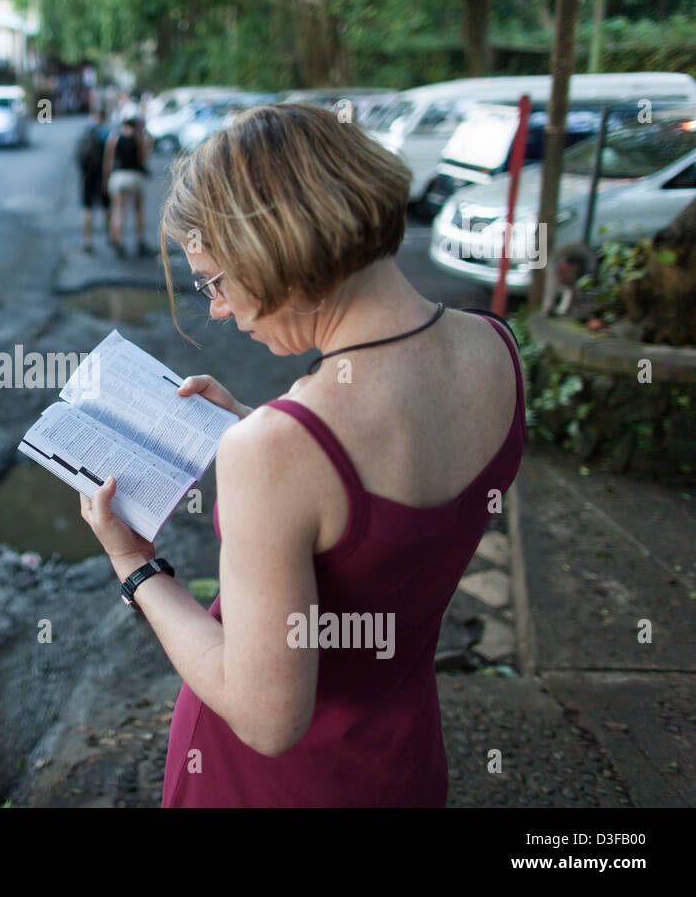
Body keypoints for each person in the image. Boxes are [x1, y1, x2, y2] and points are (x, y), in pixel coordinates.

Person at [77, 102, 526, 806]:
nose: (218, 309)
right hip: (401, 763)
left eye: (217, 281)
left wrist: (133, 563)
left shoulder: (282, 451)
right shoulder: (495, 350)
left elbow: (267, 718)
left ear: (278, 251)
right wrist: (266, 427)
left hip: (271, 786)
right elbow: (382, 526)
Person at [102, 116, 154, 258]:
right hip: (136, 176)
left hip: (119, 177)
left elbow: (108, 161)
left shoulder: (114, 138)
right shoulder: (139, 139)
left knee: (118, 210)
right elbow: (142, 160)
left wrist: (106, 180)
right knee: (138, 210)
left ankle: (118, 241)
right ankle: (140, 241)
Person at [75, 107, 110, 254]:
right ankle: (110, 237)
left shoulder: (86, 132)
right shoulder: (108, 133)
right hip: (104, 175)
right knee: (107, 207)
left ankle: (87, 241)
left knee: (87, 208)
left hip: (88, 175)